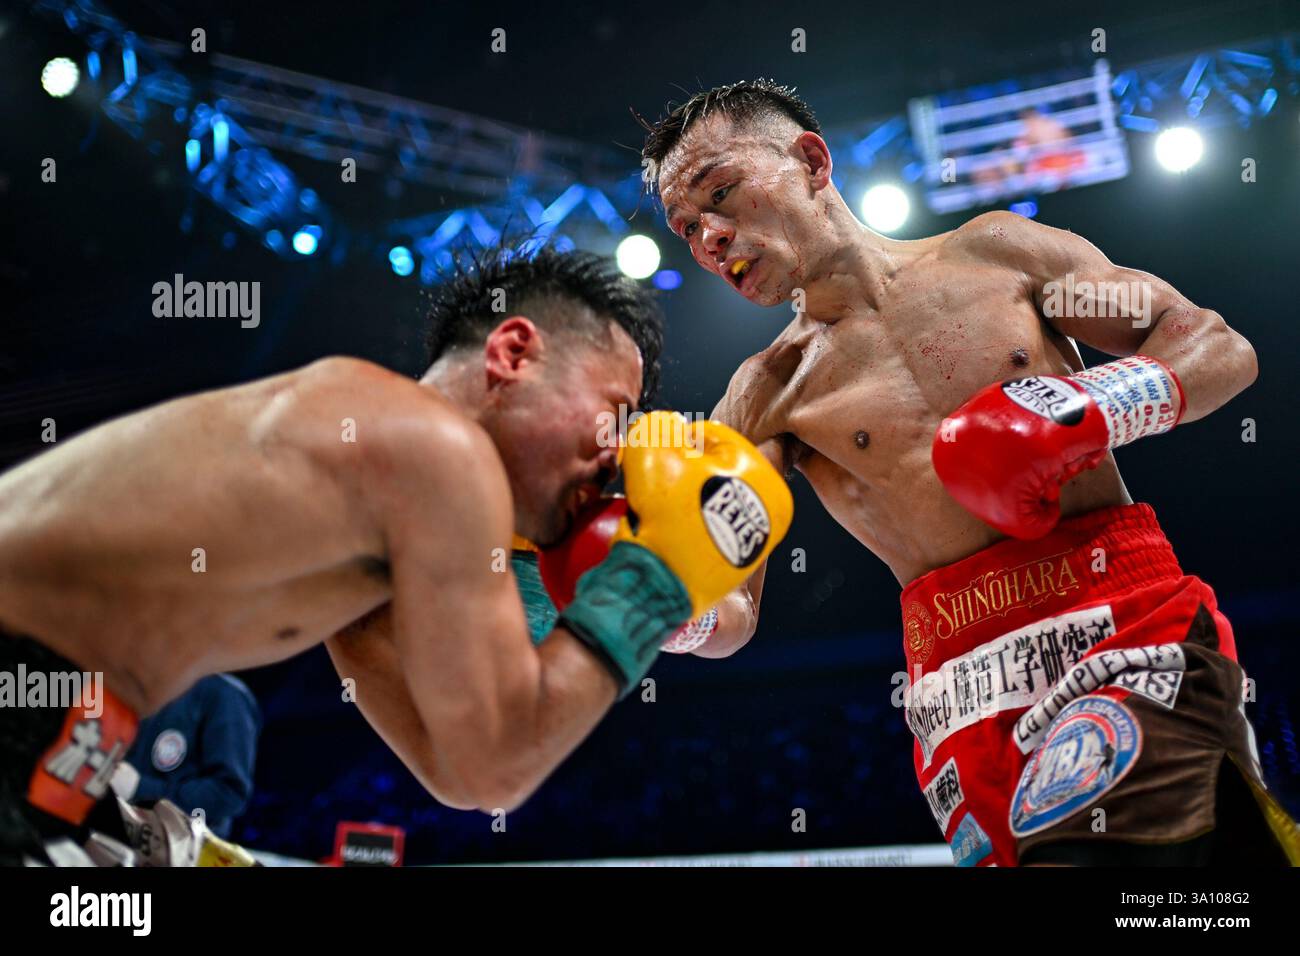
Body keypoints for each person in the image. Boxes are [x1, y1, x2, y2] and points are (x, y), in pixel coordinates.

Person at [640, 79, 1297, 866]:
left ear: (811, 161)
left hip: (1115, 616)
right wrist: (667, 612)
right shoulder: (762, 395)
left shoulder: (999, 254)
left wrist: (1088, 406)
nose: (709, 235)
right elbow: (734, 612)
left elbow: (1211, 344)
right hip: (955, 694)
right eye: (686, 227)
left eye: (722, 193)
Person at [0, 245, 792, 864]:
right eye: (613, 411)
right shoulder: (432, 447)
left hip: (56, 736)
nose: (614, 456)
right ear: (513, 353)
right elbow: (503, 756)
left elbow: (469, 773)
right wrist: (650, 582)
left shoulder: (366, 536)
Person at [113, 674, 261, 839]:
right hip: (115, 832)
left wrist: (141, 788)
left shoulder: (225, 695)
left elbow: (228, 795)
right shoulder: (146, 680)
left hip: (174, 850)